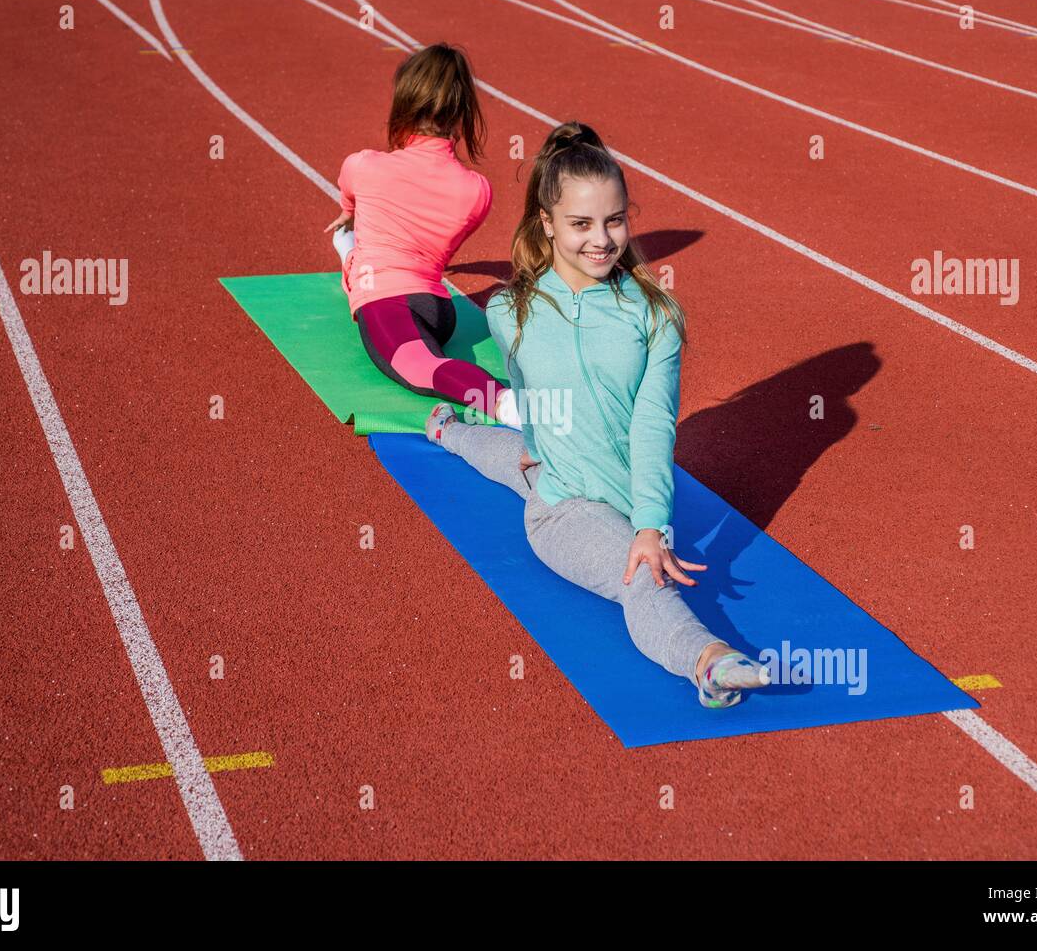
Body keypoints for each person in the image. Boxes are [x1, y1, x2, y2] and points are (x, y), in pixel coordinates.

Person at [425, 121, 770, 708]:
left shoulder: (655, 315)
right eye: (581, 224)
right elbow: (522, 381)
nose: (601, 239)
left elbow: (654, 424)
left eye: (614, 220)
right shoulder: (512, 308)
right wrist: (537, 435)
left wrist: (650, 525)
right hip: (564, 512)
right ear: (548, 224)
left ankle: (453, 429)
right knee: (637, 575)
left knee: (524, 466)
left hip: (625, 496)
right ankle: (706, 661)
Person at [324, 42, 520, 428]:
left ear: (403, 106)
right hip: (437, 308)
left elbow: (349, 195)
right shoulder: (476, 190)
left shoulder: (362, 165)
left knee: (420, 368)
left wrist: (349, 213)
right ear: (462, 112)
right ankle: (347, 247)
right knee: (364, 263)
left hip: (385, 302)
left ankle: (510, 406)